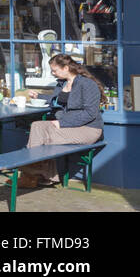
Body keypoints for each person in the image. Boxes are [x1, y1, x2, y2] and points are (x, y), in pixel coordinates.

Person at [18, 54, 105, 189]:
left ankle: (31, 176)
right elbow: (56, 100)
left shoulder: (87, 84)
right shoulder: (62, 83)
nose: (52, 73)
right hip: (69, 125)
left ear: (66, 68)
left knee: (42, 137)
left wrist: (62, 123)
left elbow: (90, 113)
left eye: (55, 70)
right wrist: (39, 96)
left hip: (89, 129)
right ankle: (43, 176)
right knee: (37, 126)